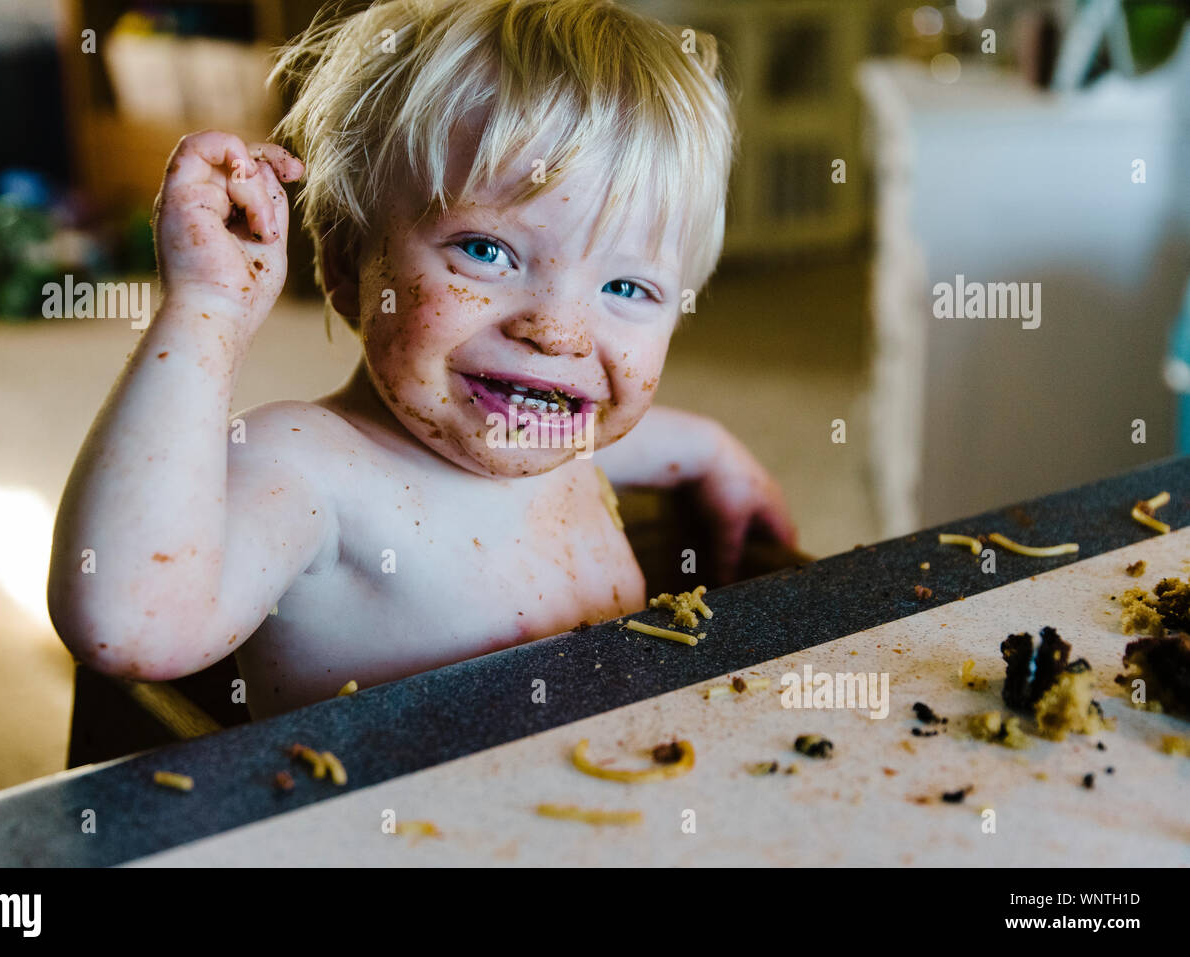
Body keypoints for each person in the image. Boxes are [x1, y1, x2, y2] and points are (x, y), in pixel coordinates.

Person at [48, 0, 795, 719]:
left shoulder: (555, 435)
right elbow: (129, 621)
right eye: (485, 251)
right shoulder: (308, 470)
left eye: (627, 286)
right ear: (347, 262)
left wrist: (717, 453)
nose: (557, 332)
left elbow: (661, 439)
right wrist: (207, 307)